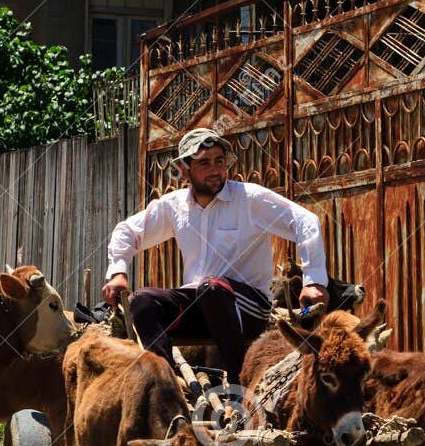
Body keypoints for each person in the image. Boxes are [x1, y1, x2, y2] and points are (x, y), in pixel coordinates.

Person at [103, 127, 329, 381]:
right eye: (204, 163)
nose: (214, 170)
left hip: (248, 308)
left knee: (212, 290)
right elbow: (127, 231)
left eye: (219, 161)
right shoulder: (174, 206)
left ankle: (239, 383)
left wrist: (314, 281)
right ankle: (165, 385)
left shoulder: (249, 198)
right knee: (141, 301)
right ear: (185, 169)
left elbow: (305, 221)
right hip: (202, 304)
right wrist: (118, 272)